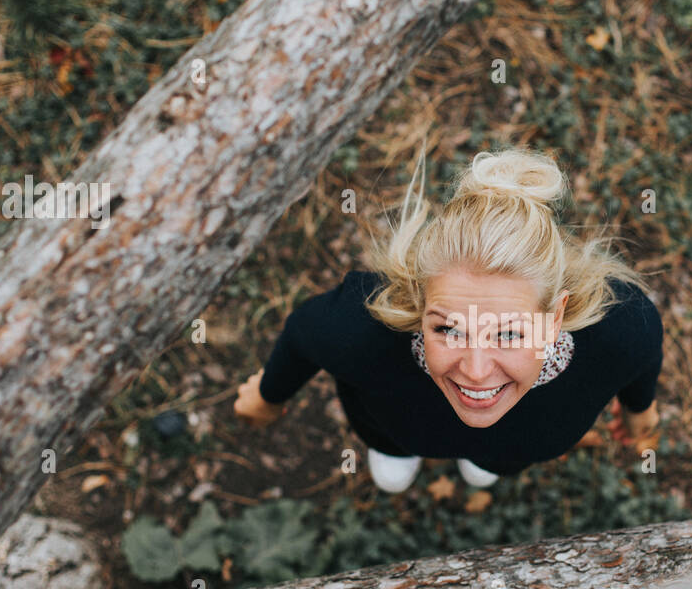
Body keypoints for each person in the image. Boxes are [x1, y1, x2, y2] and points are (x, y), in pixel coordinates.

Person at [233, 144, 663, 493]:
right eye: (449, 329)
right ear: (420, 303)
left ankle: (484, 463)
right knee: (393, 462)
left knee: (488, 466)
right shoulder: (358, 329)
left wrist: (639, 411)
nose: (476, 372)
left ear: (555, 318)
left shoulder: (622, 333)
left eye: (510, 334)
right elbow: (303, 334)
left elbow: (641, 366)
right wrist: (269, 396)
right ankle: (400, 453)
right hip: (390, 432)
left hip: (511, 453)